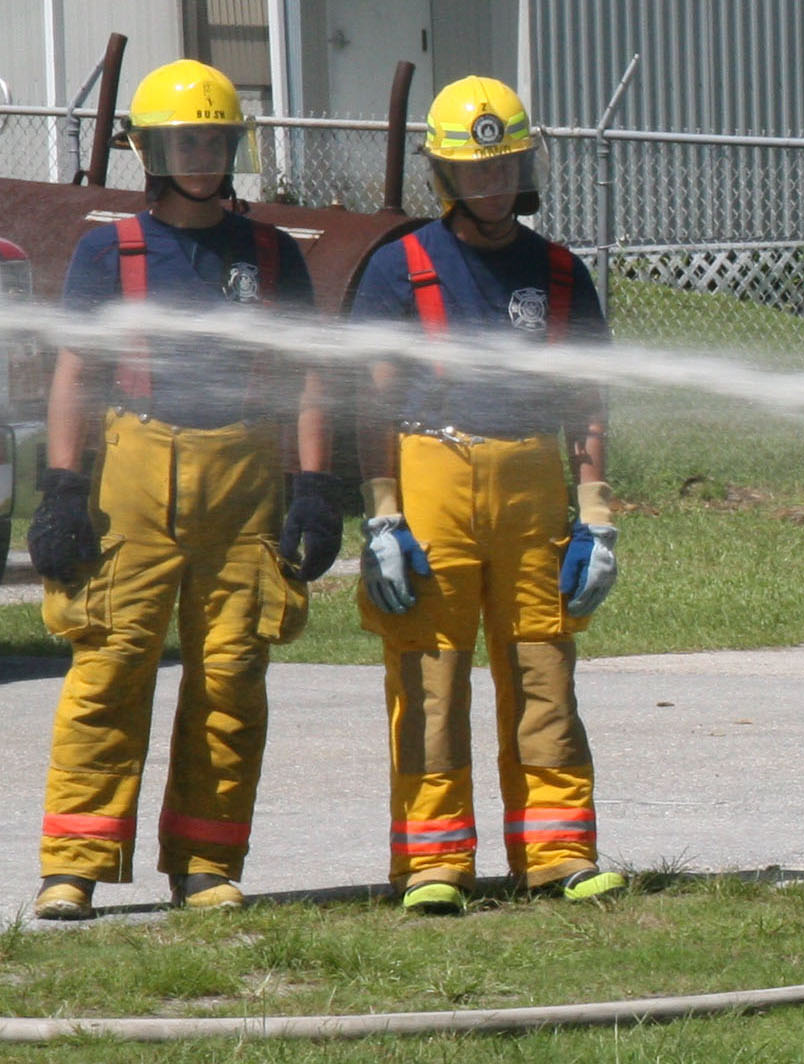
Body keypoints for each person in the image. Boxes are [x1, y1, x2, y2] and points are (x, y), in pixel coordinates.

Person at [28, 58, 342, 920]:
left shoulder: (272, 257)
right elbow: (76, 372)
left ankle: (206, 861)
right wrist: (60, 487)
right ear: (150, 150)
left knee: (232, 676)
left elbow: (307, 378)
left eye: (214, 138)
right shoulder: (111, 251)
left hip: (243, 481)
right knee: (110, 666)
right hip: (133, 471)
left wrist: (313, 487)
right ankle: (73, 865)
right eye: (185, 140)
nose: (202, 154)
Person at [349, 75, 627, 916]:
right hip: (430, 474)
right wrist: (384, 514)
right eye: (475, 169)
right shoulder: (400, 267)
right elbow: (372, 394)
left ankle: (559, 852)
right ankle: (433, 864)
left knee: (542, 667)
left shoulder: (560, 273)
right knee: (430, 673)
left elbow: (587, 399)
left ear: (524, 165)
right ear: (443, 173)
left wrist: (597, 513)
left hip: (532, 484)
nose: (492, 182)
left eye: (505, 164)